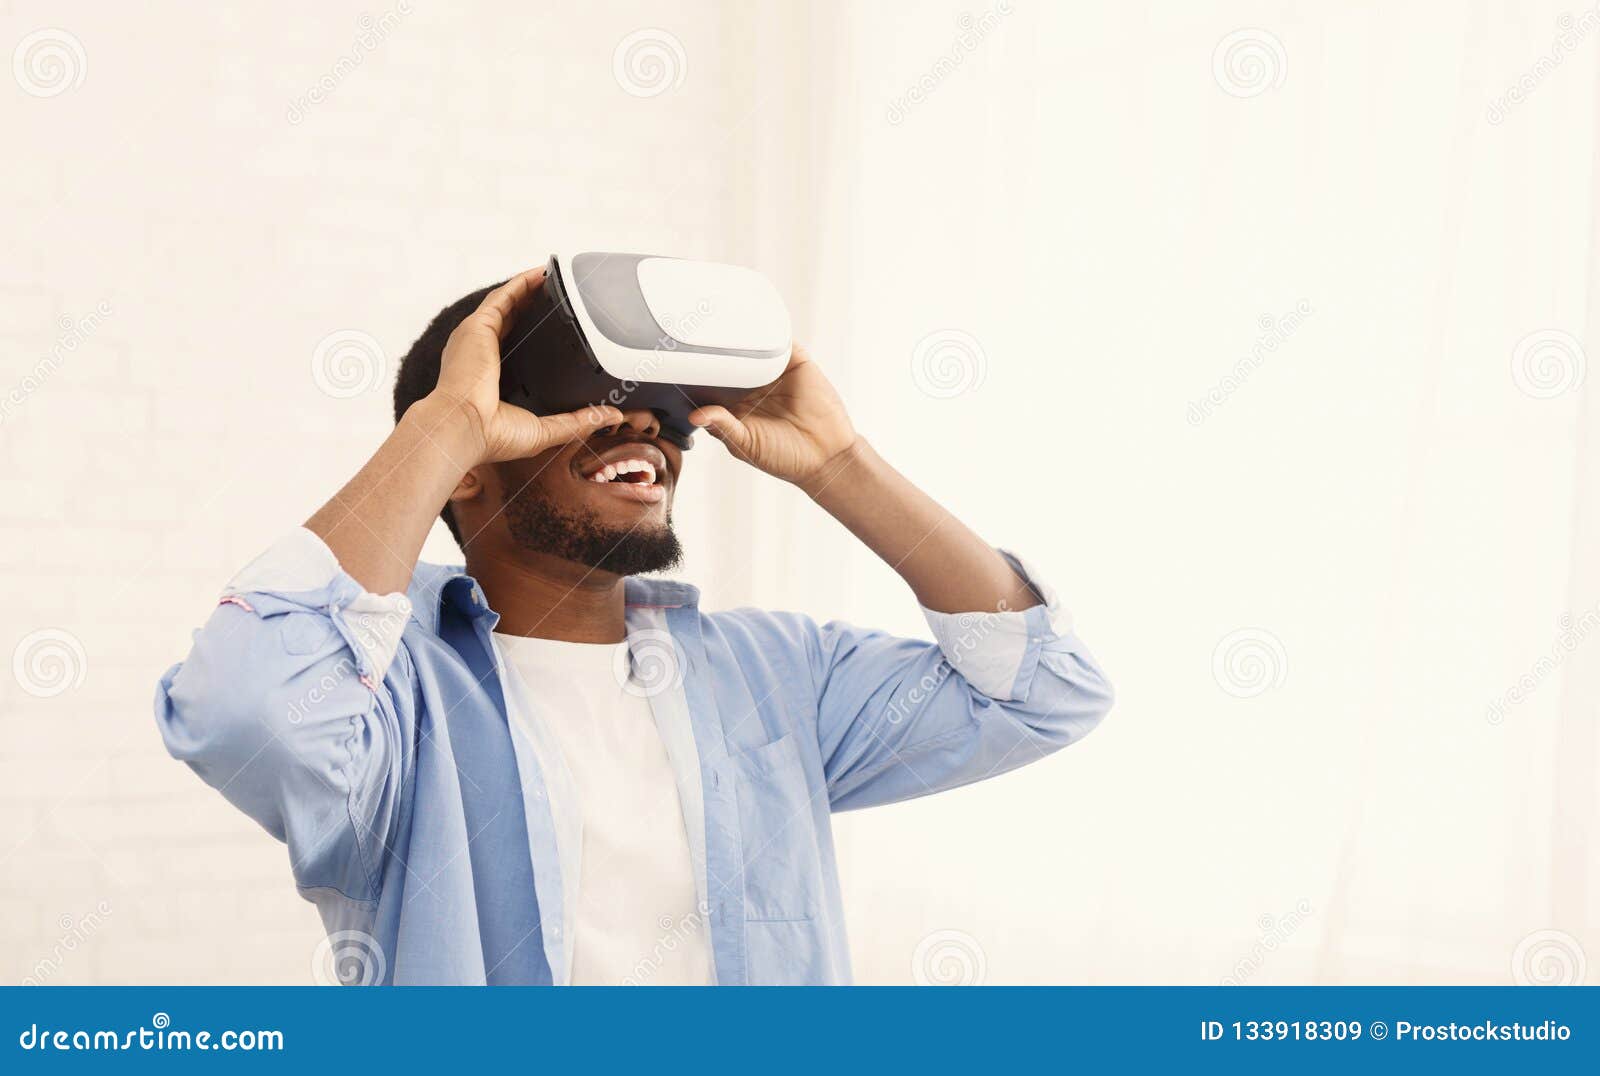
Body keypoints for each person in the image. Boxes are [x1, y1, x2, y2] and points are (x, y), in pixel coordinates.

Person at [153, 264, 1114, 985]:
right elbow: (245, 715)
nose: (645, 429)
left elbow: (1044, 692)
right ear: (474, 457)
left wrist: (840, 463)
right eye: (588, 405)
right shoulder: (391, 702)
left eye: (663, 411)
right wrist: (445, 424)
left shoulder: (777, 674)